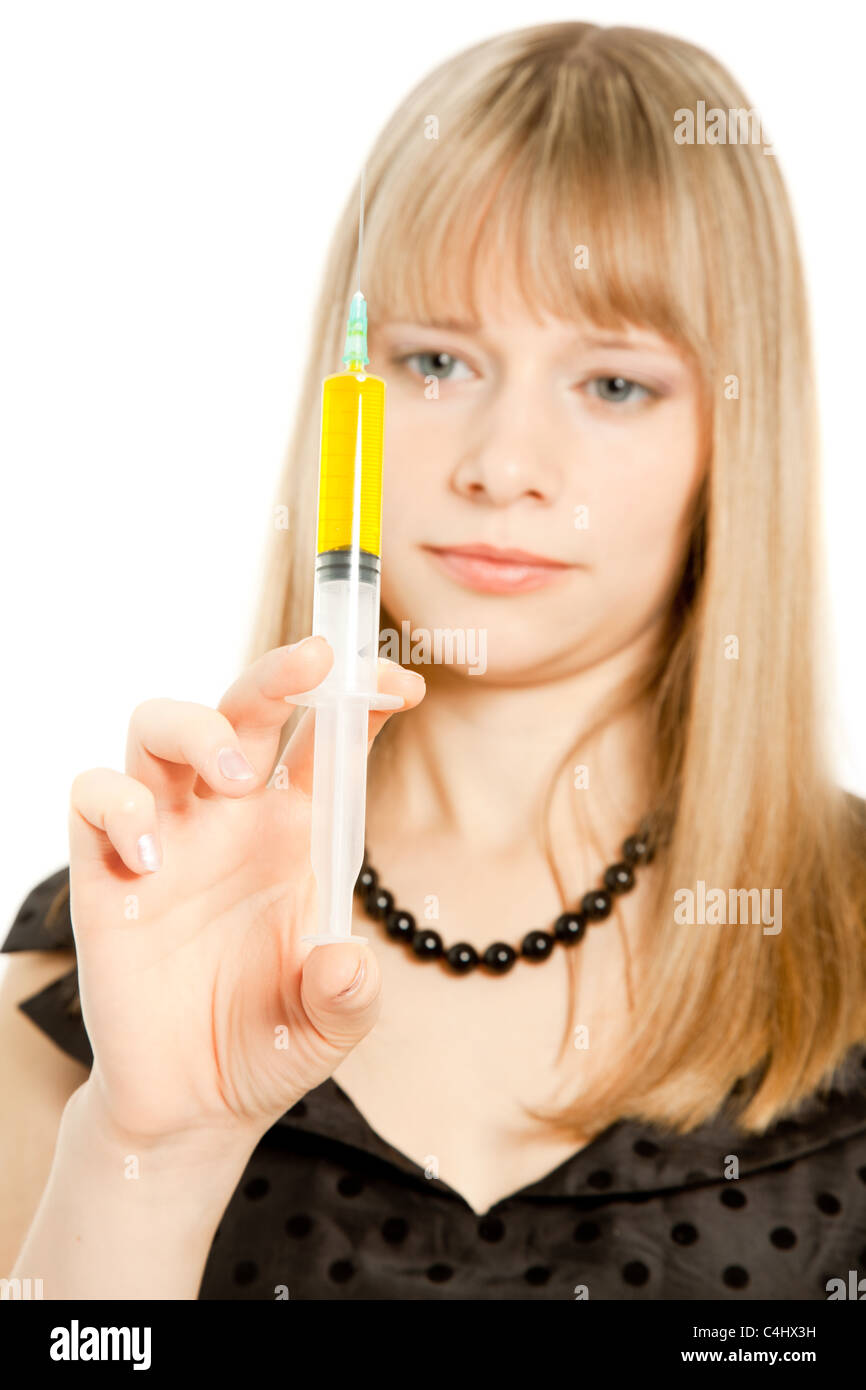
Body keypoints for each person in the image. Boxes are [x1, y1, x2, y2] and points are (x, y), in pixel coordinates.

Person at [2, 20, 865, 1301]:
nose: (503, 464)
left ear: (730, 436)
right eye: (436, 361)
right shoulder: (111, 963)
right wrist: (150, 1153)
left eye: (613, 385)